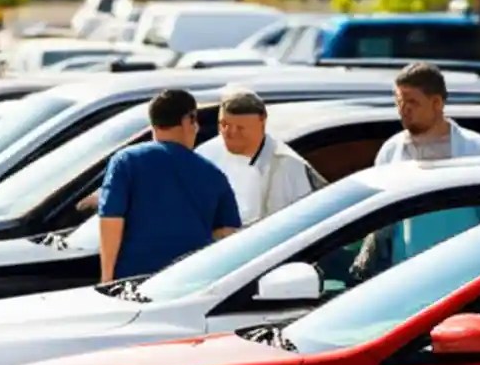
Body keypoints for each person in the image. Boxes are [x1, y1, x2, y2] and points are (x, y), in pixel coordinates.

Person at [98, 89, 241, 283]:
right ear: (188, 121)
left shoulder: (126, 161)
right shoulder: (213, 174)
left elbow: (111, 221)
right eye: (195, 121)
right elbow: (228, 234)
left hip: (133, 284)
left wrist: (107, 279)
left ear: (153, 123)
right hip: (190, 283)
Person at [217, 88, 326, 223]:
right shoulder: (220, 157)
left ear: (262, 122)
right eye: (224, 125)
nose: (229, 133)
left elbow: (283, 228)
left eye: (240, 128)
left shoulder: (285, 166)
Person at [374, 62, 480, 164]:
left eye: (412, 102)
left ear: (436, 103)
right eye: (399, 102)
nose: (403, 109)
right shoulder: (390, 152)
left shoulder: (477, 149)